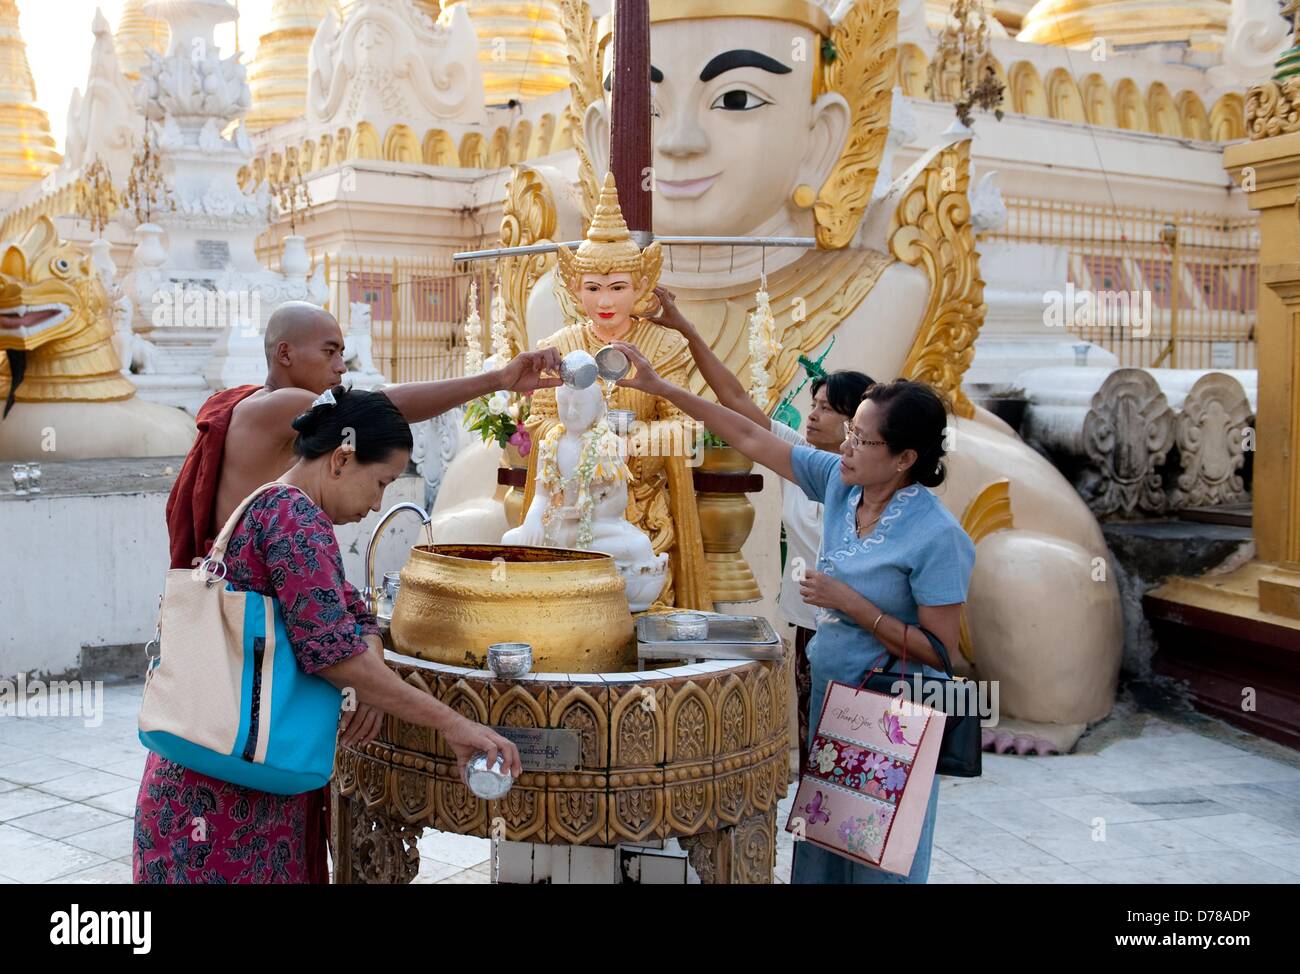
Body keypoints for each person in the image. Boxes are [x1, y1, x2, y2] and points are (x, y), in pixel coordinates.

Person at [162, 300, 560, 882]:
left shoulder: (294, 501)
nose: (378, 504)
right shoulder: (290, 492)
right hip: (224, 791)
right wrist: (454, 725)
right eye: (379, 483)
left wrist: (367, 655)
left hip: (247, 757)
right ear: (341, 454)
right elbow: (335, 655)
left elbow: (348, 617)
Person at [612, 342, 975, 884]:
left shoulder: (938, 536)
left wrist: (852, 604)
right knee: (824, 854)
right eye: (849, 433)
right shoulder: (840, 484)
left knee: (875, 861)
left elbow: (944, 653)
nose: (847, 447)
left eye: (863, 439)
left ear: (904, 459)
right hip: (833, 706)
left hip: (891, 719)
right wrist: (662, 388)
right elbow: (751, 436)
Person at [647, 286, 874, 771]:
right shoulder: (806, 462)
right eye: (813, 404)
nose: (812, 415)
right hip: (808, 628)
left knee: (856, 756)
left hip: (861, 635)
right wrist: (685, 330)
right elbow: (735, 404)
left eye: (828, 408)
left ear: (859, 420)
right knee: (816, 750)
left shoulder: (878, 483)